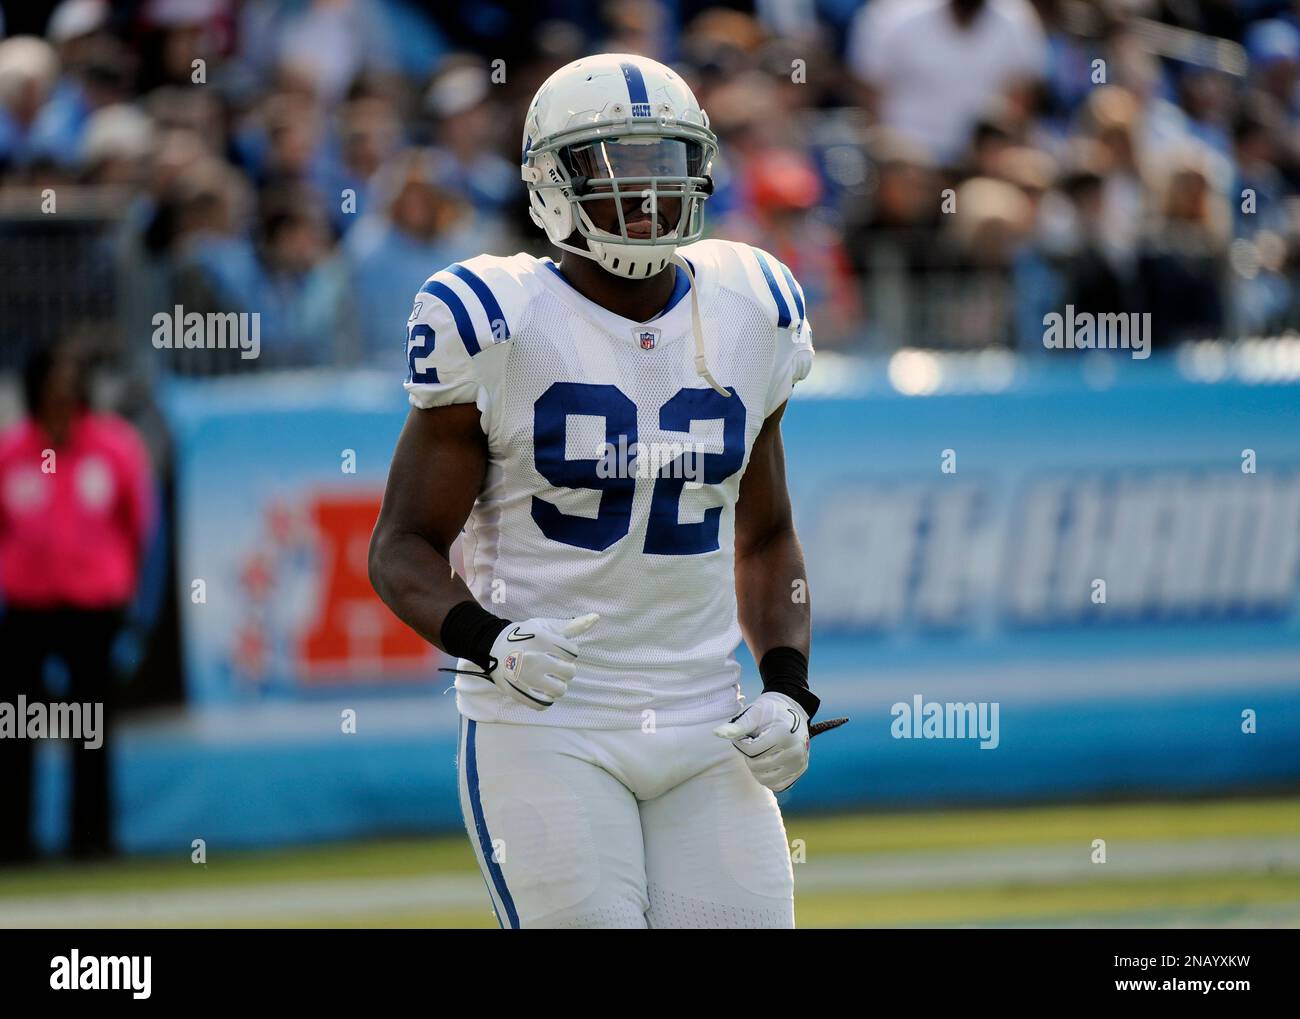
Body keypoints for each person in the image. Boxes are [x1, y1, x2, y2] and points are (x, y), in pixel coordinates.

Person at [369, 53, 839, 928]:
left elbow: (766, 535)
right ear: (552, 181)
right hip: (546, 721)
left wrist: (786, 685)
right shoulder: (496, 320)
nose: (645, 190)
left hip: (707, 719)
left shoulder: (754, 306)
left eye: (664, 160)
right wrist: (491, 638)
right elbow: (400, 546)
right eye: (613, 162)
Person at [0, 341, 154, 863]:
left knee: (90, 729)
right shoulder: (11, 452)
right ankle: (15, 842)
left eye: (71, 385)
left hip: (92, 607)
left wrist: (131, 599)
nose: (62, 396)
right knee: (18, 727)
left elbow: (140, 528)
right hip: (26, 607)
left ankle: (92, 840)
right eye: (53, 385)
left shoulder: (114, 448)